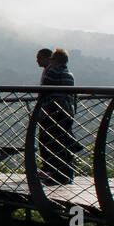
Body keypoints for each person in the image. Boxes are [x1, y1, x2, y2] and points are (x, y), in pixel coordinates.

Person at [38, 48, 77, 185]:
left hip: (52, 111)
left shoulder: (53, 72)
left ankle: (55, 175)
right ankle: (66, 174)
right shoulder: (69, 74)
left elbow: (43, 90)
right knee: (63, 143)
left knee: (50, 143)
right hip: (67, 111)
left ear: (54, 60)